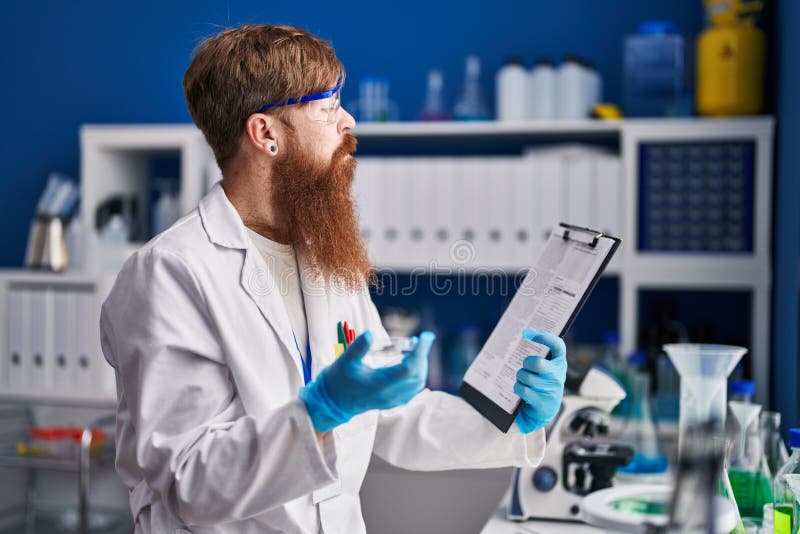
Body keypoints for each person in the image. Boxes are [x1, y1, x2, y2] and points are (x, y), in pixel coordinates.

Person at [100, 24, 567, 533]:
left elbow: (392, 414)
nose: (348, 121)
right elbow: (188, 481)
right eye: (327, 108)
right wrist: (320, 411)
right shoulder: (170, 273)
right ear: (266, 134)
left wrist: (513, 420)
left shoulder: (323, 253)